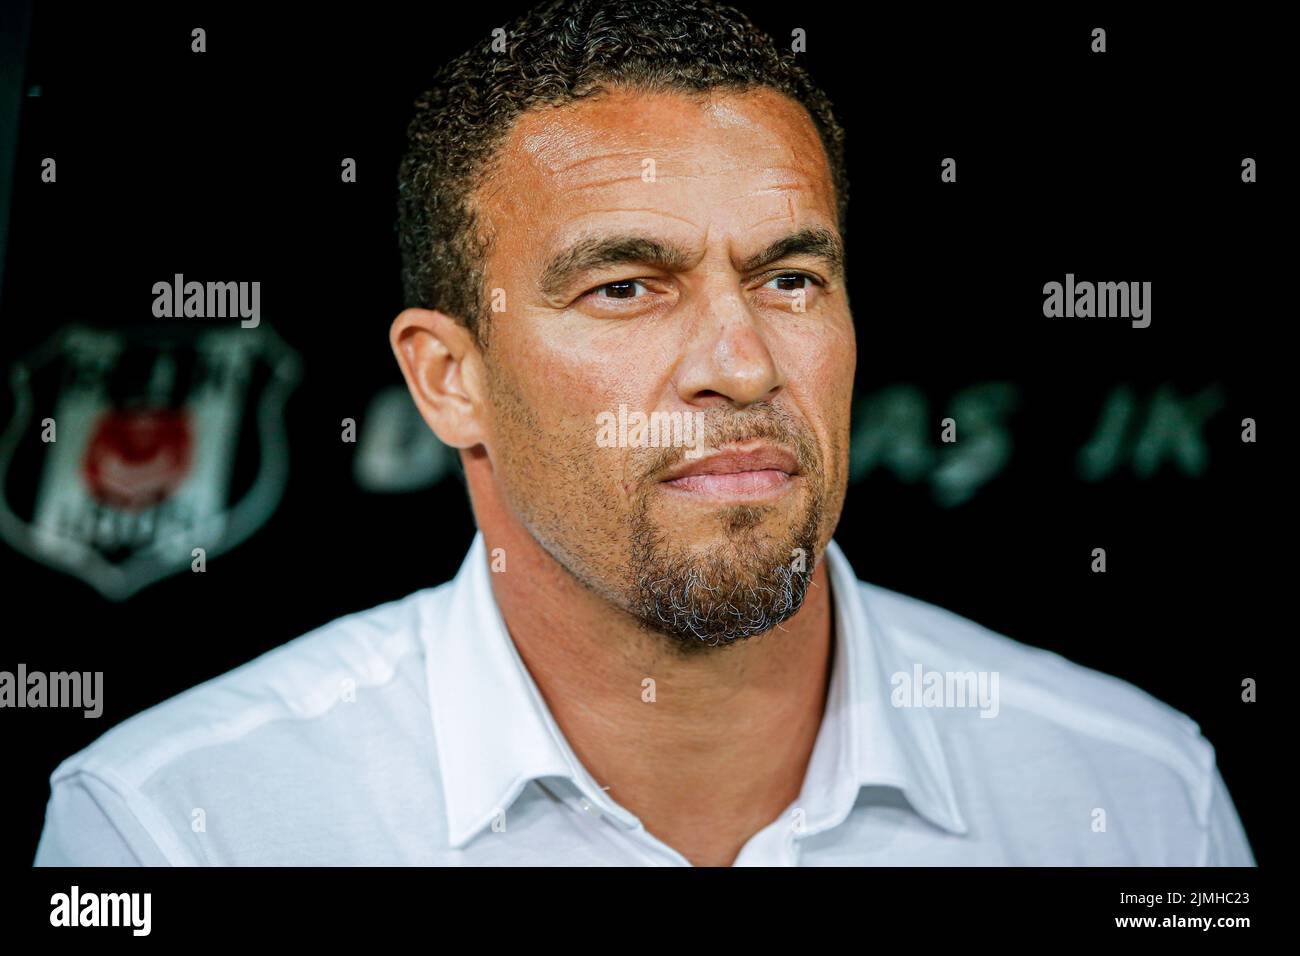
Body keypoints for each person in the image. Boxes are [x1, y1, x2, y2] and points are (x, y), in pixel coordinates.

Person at [34, 0, 1254, 867]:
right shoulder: (174, 827)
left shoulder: (1136, 794)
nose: (740, 362)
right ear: (449, 378)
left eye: (788, 278)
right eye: (625, 285)